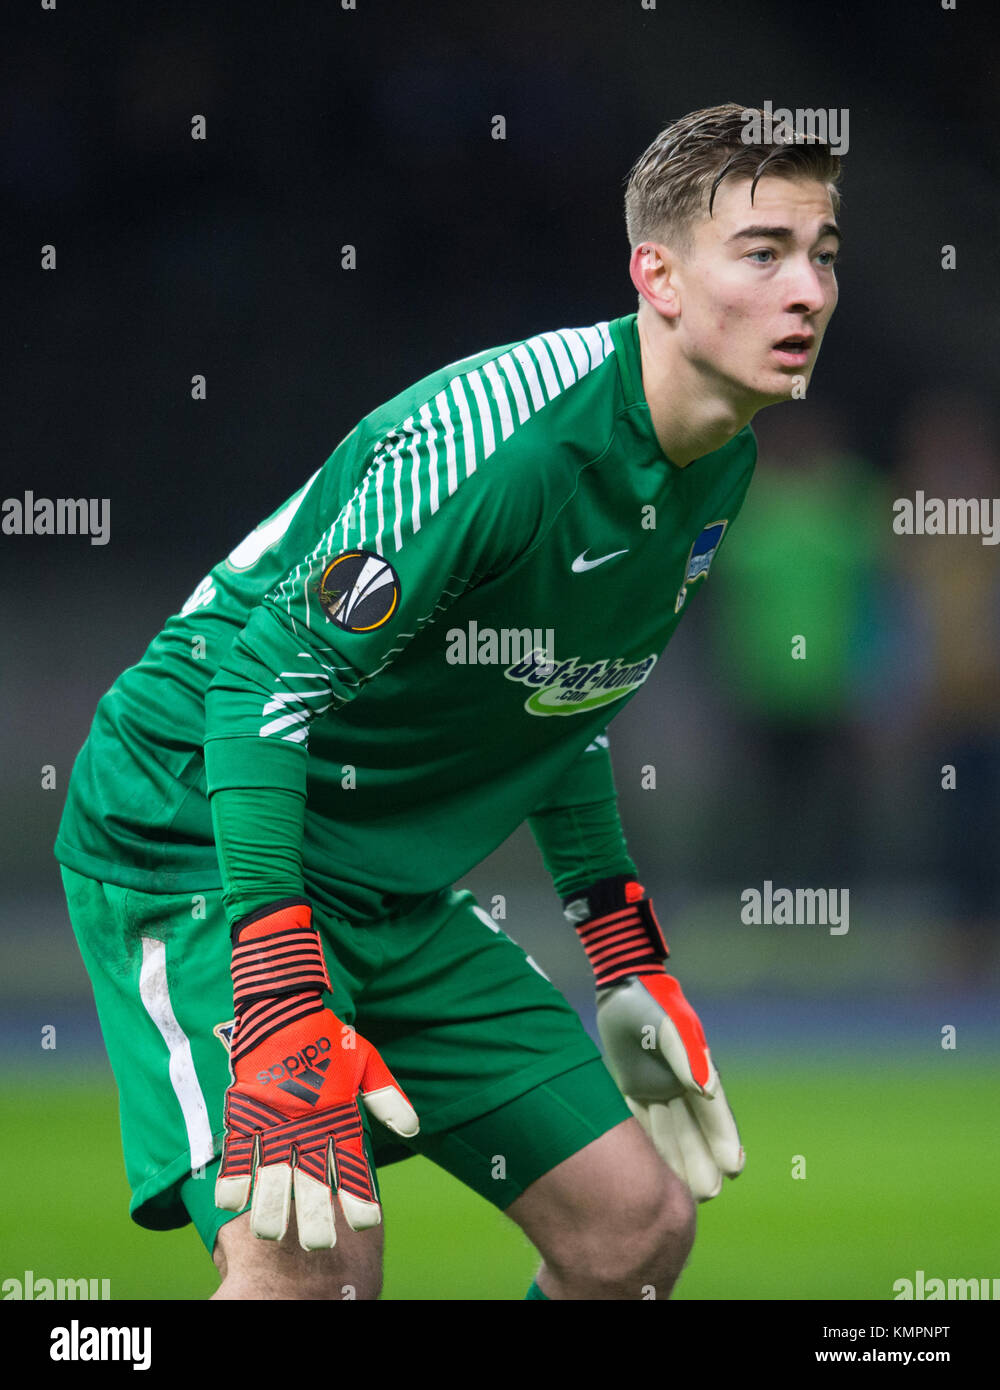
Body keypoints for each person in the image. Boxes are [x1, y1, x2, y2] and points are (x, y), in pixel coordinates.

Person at [55, 101, 842, 1300]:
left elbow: (554, 697)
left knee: (633, 1233)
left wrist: (620, 946)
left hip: (383, 877)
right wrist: (277, 986)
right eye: (764, 252)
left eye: (822, 254)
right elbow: (263, 680)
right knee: (316, 1265)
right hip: (197, 831)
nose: (808, 291)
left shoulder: (717, 453)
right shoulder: (502, 441)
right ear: (659, 276)